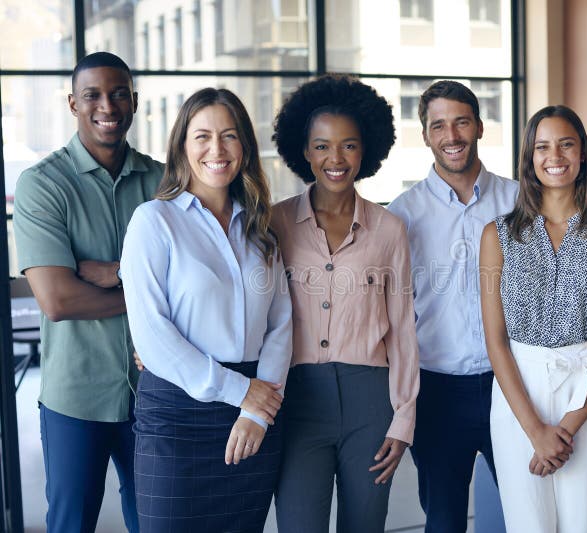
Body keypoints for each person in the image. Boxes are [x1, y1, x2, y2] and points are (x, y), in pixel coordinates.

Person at [119, 88, 292, 531]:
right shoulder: (153, 222)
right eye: (202, 136)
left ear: (245, 149)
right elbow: (153, 336)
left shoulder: (261, 228)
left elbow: (281, 324)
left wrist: (256, 410)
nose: (217, 149)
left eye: (230, 136)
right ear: (182, 146)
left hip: (254, 414)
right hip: (177, 419)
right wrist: (241, 393)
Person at [12, 51, 162, 533]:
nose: (108, 106)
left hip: (157, 393)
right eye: (93, 95)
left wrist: (115, 273)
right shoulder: (42, 185)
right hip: (76, 399)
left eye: (119, 93)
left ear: (134, 102)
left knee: (158, 522)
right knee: (71, 524)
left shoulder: (166, 183)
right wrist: (147, 289)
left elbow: (195, 286)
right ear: (72, 103)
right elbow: (59, 301)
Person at [270, 74, 419, 533]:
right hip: (296, 400)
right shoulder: (275, 223)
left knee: (366, 525)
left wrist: (403, 420)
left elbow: (403, 329)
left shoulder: (390, 229)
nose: (335, 159)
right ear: (304, 150)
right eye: (321, 146)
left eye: (348, 145)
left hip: (371, 403)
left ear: (366, 149)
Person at [479, 105, 587, 532]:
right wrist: (535, 431)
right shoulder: (497, 235)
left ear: (582, 153)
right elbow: (496, 341)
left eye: (566, 144)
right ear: (529, 159)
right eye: (542, 147)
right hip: (517, 396)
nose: (555, 156)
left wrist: (566, 427)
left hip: (586, 392)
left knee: (583, 526)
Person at [387, 80, 518, 533]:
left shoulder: (521, 202)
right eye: (438, 125)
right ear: (424, 135)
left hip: (512, 386)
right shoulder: (400, 215)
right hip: (437, 393)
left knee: (534, 513)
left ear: (479, 126)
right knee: (443, 522)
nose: (452, 135)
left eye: (461, 121)